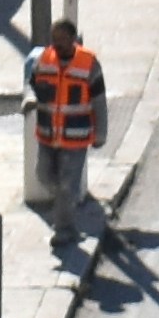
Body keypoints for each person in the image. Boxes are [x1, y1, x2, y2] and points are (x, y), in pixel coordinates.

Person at [26, 12, 107, 243]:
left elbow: (99, 101)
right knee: (43, 175)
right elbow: (31, 84)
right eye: (54, 39)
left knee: (66, 183)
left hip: (76, 136)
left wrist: (100, 133)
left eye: (61, 39)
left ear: (73, 39)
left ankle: (64, 229)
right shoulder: (44, 59)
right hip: (47, 133)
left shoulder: (89, 64)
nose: (56, 44)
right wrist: (31, 98)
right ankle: (66, 202)